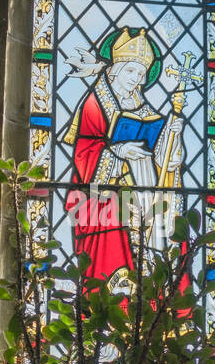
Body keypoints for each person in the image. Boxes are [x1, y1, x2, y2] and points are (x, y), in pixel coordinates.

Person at [63, 28, 184, 287]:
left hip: (143, 191)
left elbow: (162, 159)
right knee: (114, 235)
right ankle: (111, 305)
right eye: (131, 71)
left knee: (165, 233)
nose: (136, 79)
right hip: (103, 196)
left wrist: (172, 138)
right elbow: (85, 154)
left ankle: (158, 306)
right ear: (116, 69)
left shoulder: (141, 105)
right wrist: (118, 152)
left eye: (141, 74)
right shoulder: (95, 103)